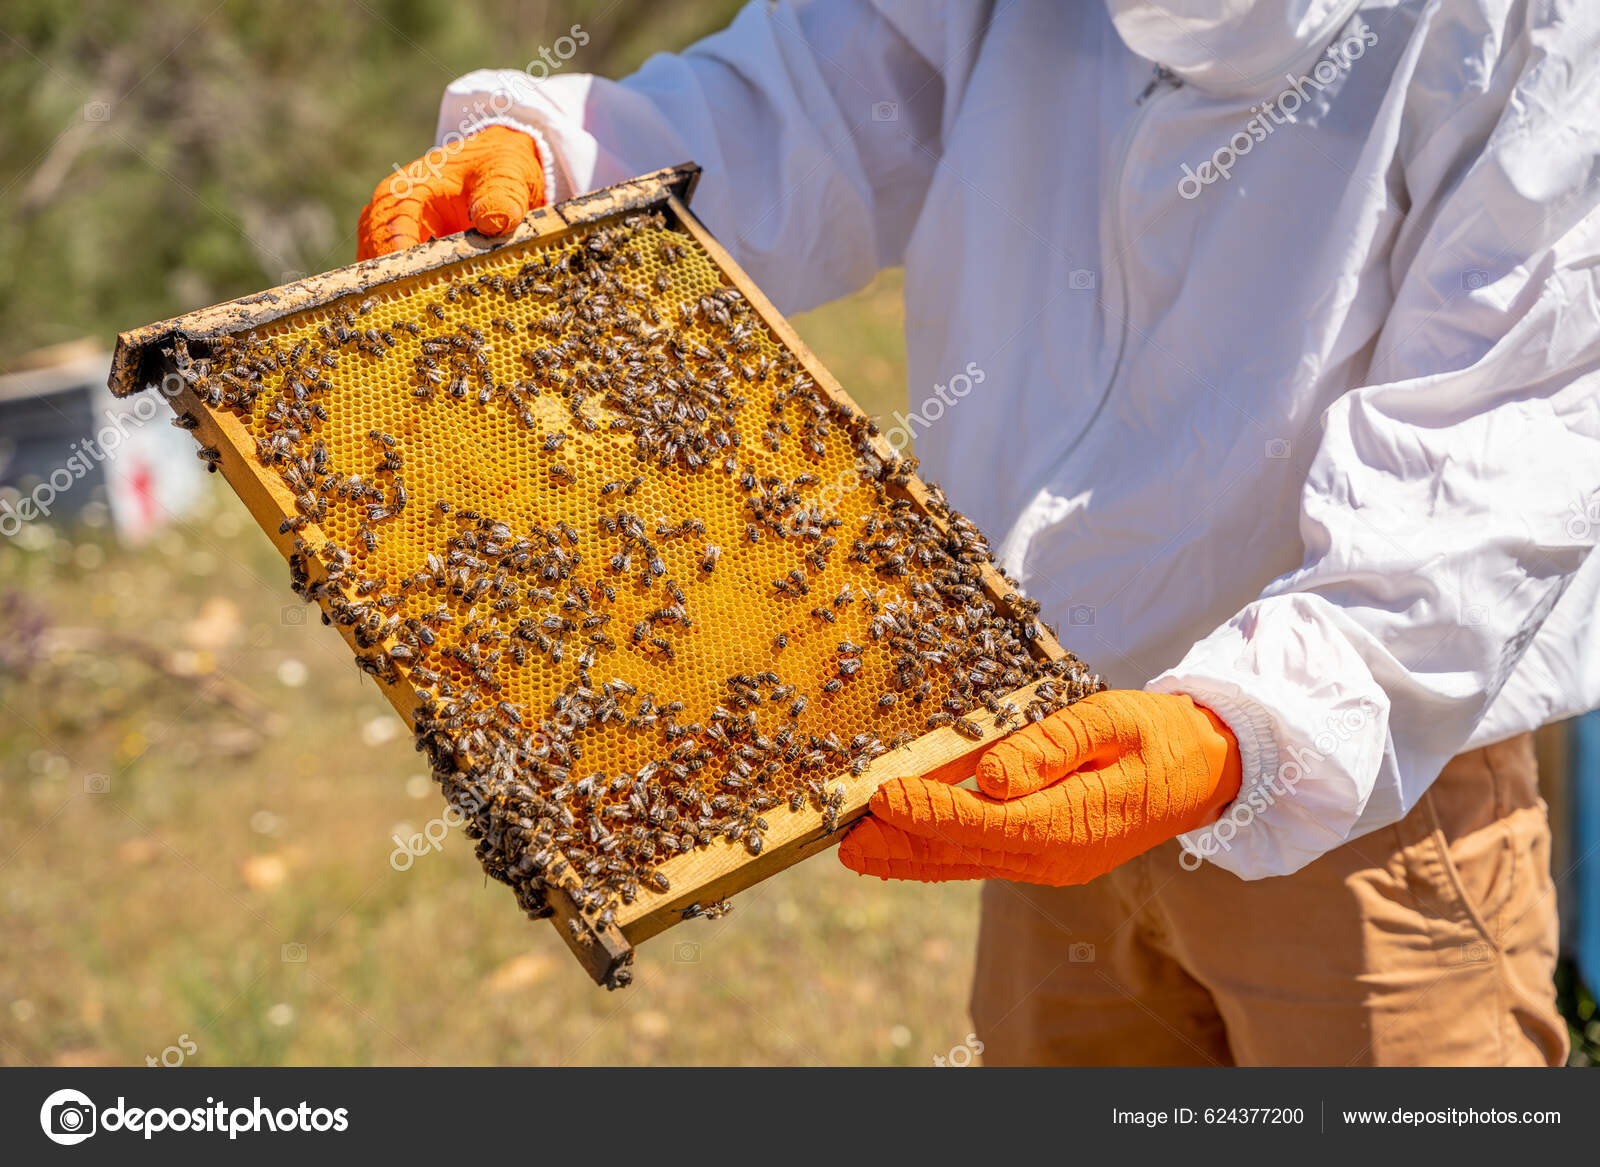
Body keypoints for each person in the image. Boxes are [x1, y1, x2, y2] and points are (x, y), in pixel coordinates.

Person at [357, 0, 1600, 1066]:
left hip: (1367, 808)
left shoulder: (1526, 30)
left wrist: (1250, 734)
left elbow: (1520, 428)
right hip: (1040, 744)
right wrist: (575, 151)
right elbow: (816, 93)